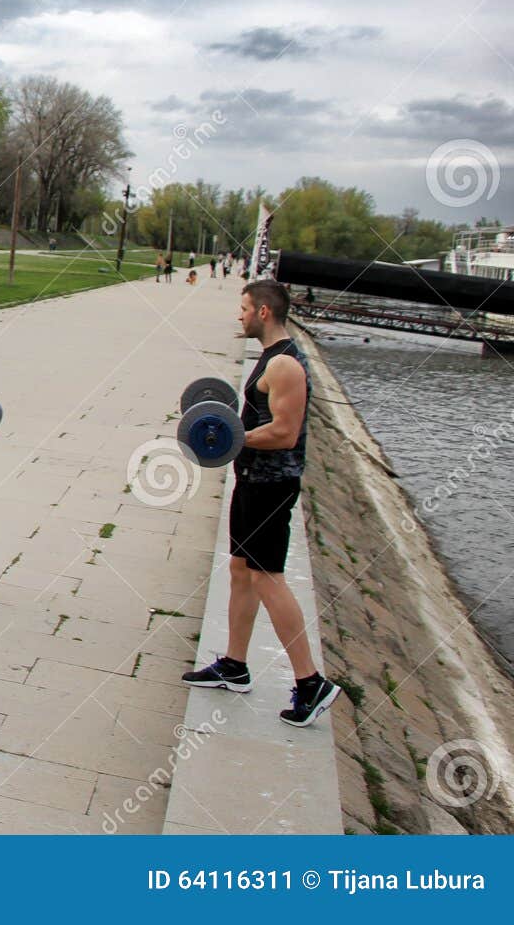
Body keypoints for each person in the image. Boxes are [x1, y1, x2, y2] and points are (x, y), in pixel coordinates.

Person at [183, 281, 342, 729]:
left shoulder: (287, 365)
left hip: (272, 485)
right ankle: (235, 664)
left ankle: (311, 682)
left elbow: (285, 432)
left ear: (265, 312)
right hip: (251, 479)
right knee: (240, 570)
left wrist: (230, 436)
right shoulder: (271, 359)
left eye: (245, 308)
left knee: (267, 577)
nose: (240, 315)